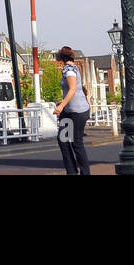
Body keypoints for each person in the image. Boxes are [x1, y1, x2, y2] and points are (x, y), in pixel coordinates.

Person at [54, 46, 90, 175]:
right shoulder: (72, 68)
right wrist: (63, 105)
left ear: (60, 58)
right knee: (63, 139)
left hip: (77, 111)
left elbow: (73, 89)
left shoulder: (69, 70)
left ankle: (85, 173)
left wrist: (61, 105)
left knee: (76, 142)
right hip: (68, 111)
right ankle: (71, 172)